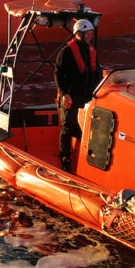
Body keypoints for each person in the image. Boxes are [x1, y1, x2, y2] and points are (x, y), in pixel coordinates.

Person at [54, 19, 102, 172]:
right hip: (71, 96)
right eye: (88, 34)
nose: (90, 36)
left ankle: (84, 159)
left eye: (91, 34)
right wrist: (64, 94)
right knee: (67, 128)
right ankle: (65, 159)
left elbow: (97, 73)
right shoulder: (66, 52)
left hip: (87, 96)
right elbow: (58, 74)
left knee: (86, 128)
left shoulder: (91, 50)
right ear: (79, 33)